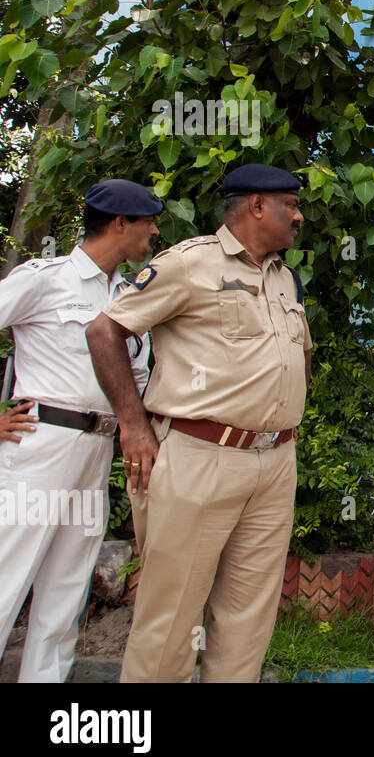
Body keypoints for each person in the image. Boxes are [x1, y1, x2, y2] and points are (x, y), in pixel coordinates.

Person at [86, 163, 309, 683]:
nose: (298, 216)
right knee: (170, 620)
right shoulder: (189, 264)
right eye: (290, 205)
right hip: (198, 456)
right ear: (256, 205)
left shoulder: (284, 277)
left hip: (275, 462)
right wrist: (133, 425)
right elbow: (105, 331)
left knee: (248, 619)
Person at [0, 179, 160, 682]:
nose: (154, 232)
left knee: (67, 592)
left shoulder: (129, 297)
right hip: (40, 443)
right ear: (120, 224)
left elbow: (136, 380)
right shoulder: (45, 279)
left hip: (98, 448)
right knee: (7, 578)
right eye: (148, 222)